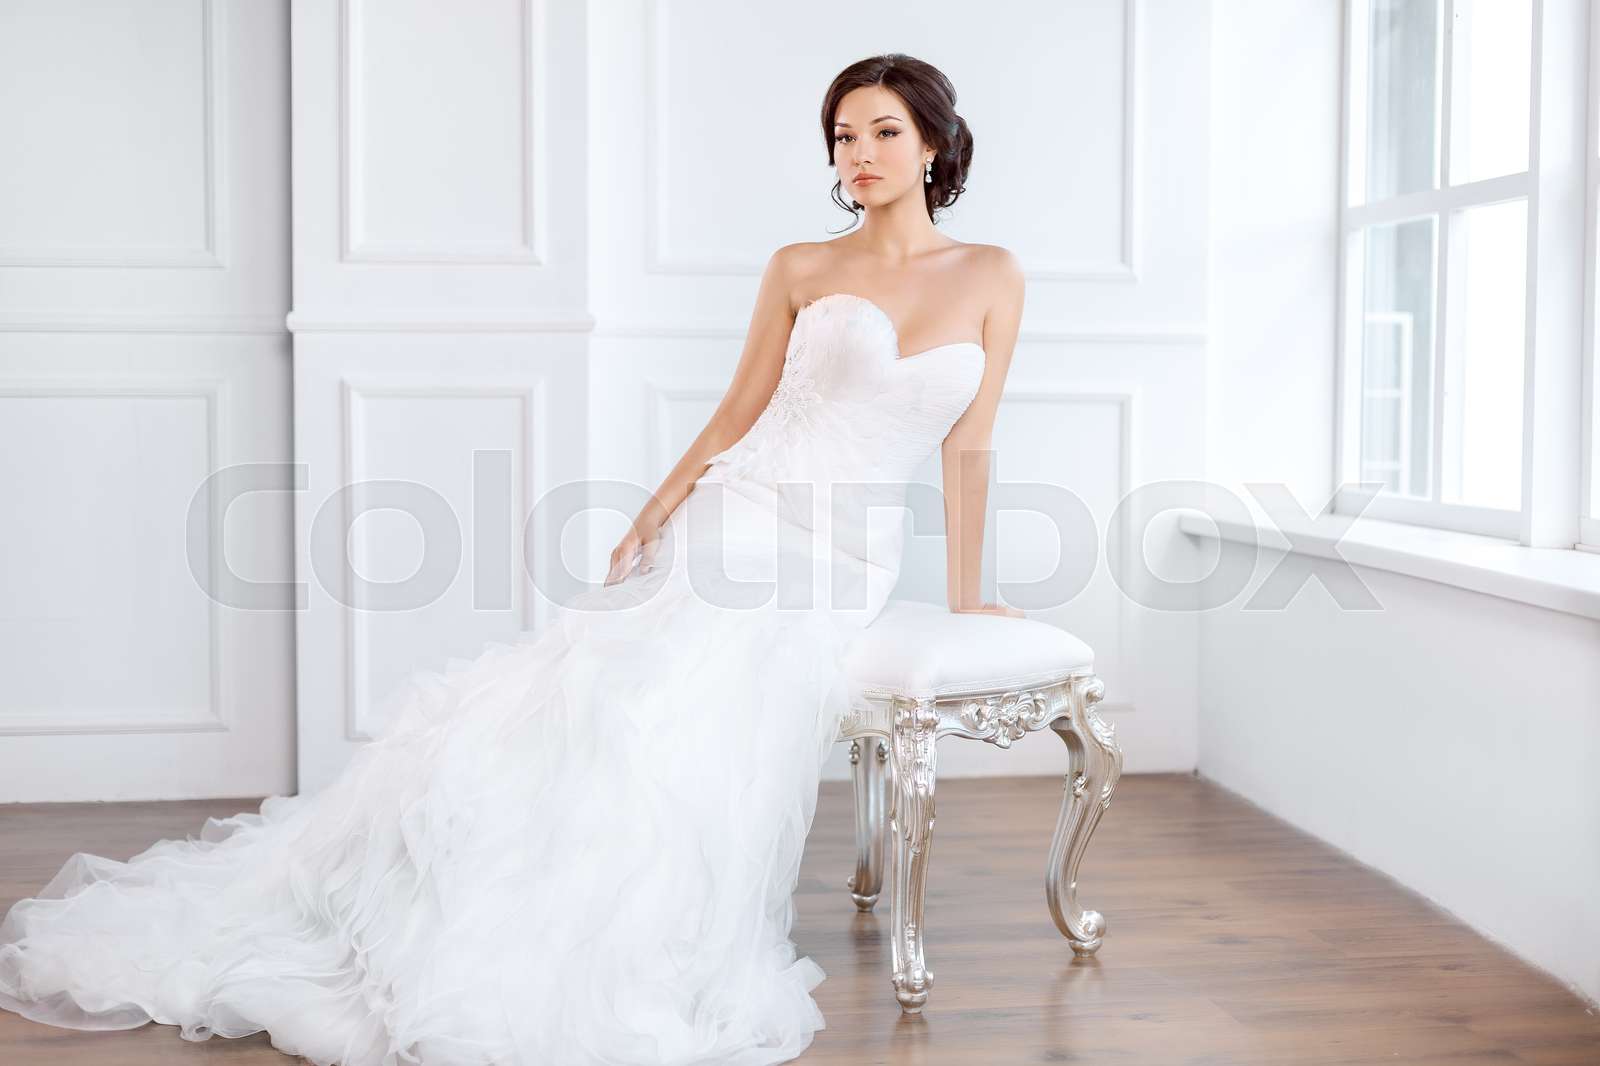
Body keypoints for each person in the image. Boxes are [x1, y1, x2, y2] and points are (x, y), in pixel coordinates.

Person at [0, 53, 1023, 1066]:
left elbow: (967, 445)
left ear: (932, 139)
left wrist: (971, 595)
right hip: (745, 515)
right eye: (844, 135)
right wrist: (656, 512)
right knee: (634, 699)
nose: (861, 153)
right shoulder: (804, 265)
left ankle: (622, 924)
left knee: (697, 702)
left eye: (884, 130)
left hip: (851, 554)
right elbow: (737, 410)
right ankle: (509, 913)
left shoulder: (990, 276)